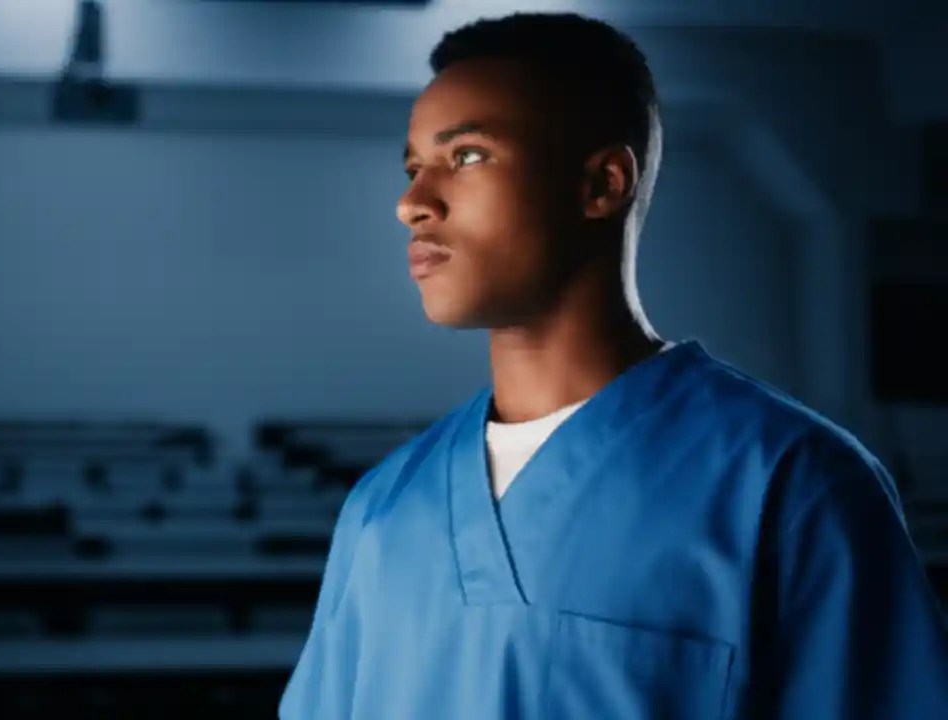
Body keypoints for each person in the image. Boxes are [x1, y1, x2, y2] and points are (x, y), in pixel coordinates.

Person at [278, 11, 948, 719]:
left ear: (602, 184)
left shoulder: (792, 485)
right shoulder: (383, 506)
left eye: (467, 156)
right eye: (413, 168)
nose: (411, 203)